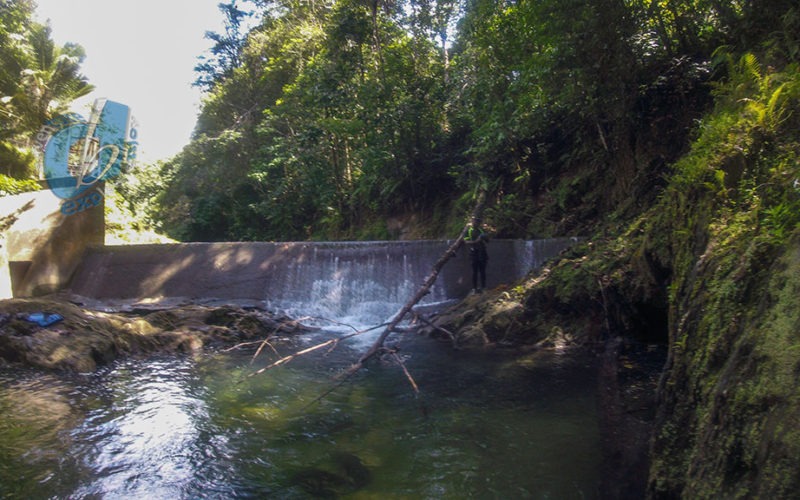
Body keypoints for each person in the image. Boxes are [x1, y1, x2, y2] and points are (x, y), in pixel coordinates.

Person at [464, 217, 488, 293]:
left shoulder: (481, 230)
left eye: (477, 222)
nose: (475, 223)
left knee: (482, 271)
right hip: (474, 253)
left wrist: (485, 237)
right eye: (474, 221)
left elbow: (487, 241)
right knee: (474, 271)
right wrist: (476, 241)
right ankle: (474, 288)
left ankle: (483, 287)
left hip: (482, 252)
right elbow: (466, 242)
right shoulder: (469, 231)